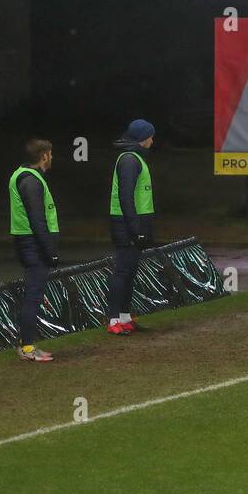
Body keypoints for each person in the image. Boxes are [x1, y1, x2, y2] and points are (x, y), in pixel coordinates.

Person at [8, 139, 59, 363]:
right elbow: (37, 220)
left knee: (33, 293)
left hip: (28, 242)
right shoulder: (31, 181)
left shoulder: (23, 175)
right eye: (51, 153)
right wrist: (50, 251)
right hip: (33, 244)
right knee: (33, 294)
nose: (52, 157)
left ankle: (27, 345)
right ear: (44, 155)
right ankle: (27, 348)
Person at [106, 119, 156, 335]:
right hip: (126, 224)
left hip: (133, 222)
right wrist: (135, 229)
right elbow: (126, 197)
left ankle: (124, 317)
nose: (153, 140)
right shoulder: (129, 160)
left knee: (130, 271)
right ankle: (114, 319)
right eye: (151, 136)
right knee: (123, 270)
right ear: (143, 138)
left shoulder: (133, 158)